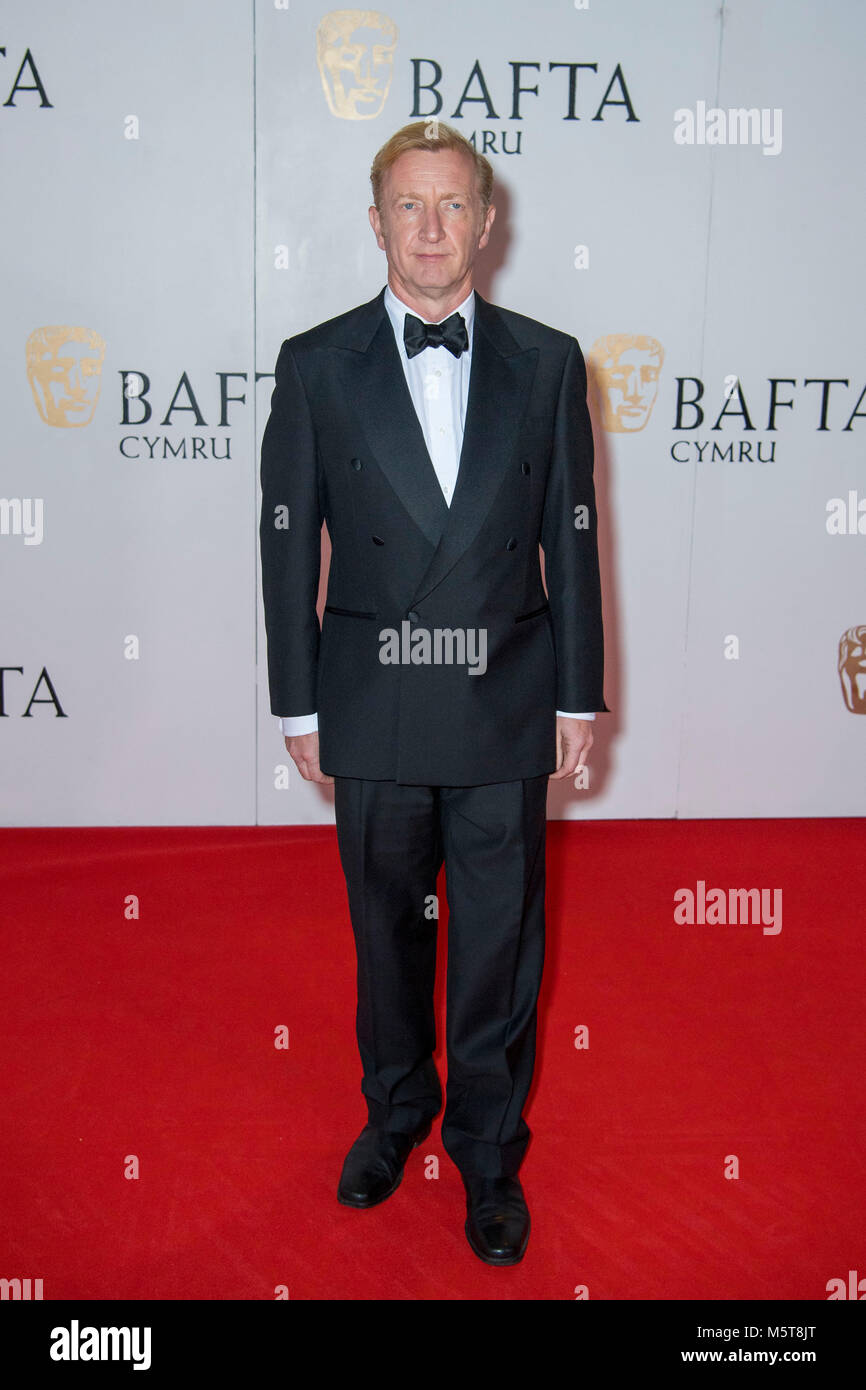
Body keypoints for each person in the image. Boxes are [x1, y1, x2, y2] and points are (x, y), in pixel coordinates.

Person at [259, 120, 607, 1265]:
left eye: (451, 204)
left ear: (486, 224)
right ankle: (393, 1111)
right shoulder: (314, 364)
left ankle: (487, 1152)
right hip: (376, 703)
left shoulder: (549, 360)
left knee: (500, 948)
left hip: (505, 703)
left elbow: (571, 534)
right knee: (386, 936)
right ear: (374, 222)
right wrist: (298, 707)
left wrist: (577, 696)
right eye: (407, 205)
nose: (429, 228)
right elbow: (286, 543)